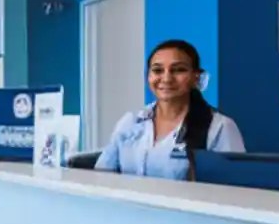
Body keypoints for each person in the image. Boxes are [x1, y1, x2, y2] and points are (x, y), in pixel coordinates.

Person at [95, 39, 244, 180]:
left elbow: (235, 189)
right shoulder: (130, 122)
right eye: (157, 70)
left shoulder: (219, 128)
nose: (166, 78)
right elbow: (101, 176)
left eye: (178, 70)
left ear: (196, 77)